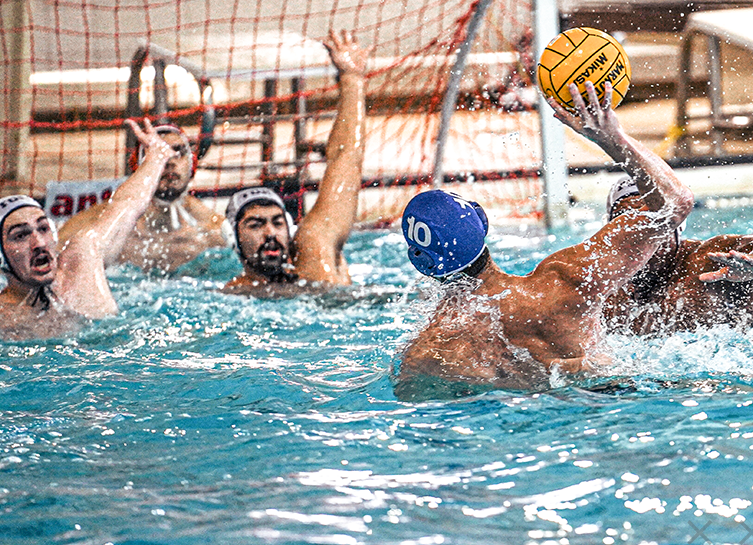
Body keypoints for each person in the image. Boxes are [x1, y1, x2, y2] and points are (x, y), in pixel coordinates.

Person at [394, 81, 694, 396]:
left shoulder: (426, 355)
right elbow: (676, 202)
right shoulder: (565, 280)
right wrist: (612, 139)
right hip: (620, 397)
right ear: (482, 224)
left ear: (421, 262)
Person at [223, 29, 371, 295]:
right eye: (255, 225)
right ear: (234, 238)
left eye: (278, 223)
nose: (271, 233)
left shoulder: (315, 252)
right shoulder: (231, 295)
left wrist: (352, 79)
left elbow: (346, 159)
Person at [0, 119, 176, 339]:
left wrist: (157, 156)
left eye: (43, 229)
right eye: (20, 236)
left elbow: (127, 205)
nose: (39, 243)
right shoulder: (4, 322)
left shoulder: (83, 261)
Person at [600, 176, 753, 336]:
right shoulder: (600, 287)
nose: (643, 230)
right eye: (626, 220)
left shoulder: (709, 259)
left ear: (677, 226)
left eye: (656, 219)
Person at [57, 125, 227, 273]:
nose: (168, 161)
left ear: (192, 165)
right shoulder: (97, 223)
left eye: (178, 152)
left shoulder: (214, 230)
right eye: (155, 153)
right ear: (139, 167)